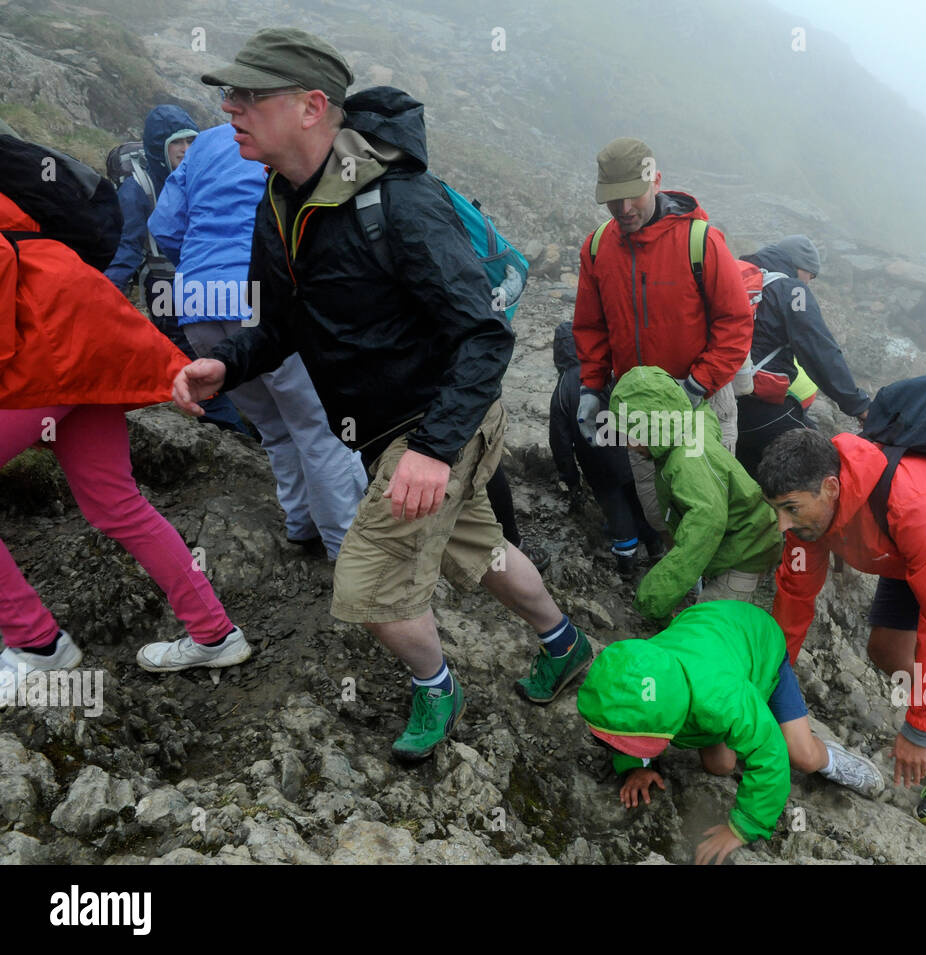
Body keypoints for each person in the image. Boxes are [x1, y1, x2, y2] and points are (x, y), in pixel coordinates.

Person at [172, 28, 591, 762]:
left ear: (310, 107)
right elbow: (281, 323)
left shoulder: (400, 202)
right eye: (228, 95)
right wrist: (228, 364)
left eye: (246, 95)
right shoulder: (280, 198)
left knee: (365, 585)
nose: (229, 108)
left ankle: (437, 682)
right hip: (380, 425)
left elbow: (485, 337)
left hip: (435, 419)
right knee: (480, 548)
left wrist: (432, 450)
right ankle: (564, 641)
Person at [1, 153, 249, 690]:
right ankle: (213, 633)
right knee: (116, 502)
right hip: (79, 344)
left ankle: (36, 643)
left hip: (46, 355)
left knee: (116, 502)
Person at [758, 428, 926, 832]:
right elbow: (794, 598)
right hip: (910, 547)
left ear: (831, 487)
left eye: (791, 509)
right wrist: (768, 680)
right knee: (886, 649)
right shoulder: (810, 517)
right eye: (776, 509)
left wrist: (920, 729)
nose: (783, 524)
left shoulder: (907, 504)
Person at [148, 122, 368, 560]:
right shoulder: (288, 136)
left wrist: (201, 269)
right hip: (263, 298)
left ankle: (301, 524)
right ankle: (347, 548)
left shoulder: (206, 142)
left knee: (274, 428)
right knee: (320, 430)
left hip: (197, 301)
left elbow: (165, 224)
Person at [576, 600, 882, 866]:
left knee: (799, 755)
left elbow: (770, 751)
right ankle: (742, 728)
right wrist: (635, 765)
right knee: (719, 765)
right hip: (712, 640)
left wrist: (744, 826)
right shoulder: (638, 666)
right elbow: (620, 721)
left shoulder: (723, 700)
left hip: (760, 647)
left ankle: (829, 757)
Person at [572, 137, 753, 535]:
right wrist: (590, 387)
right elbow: (591, 326)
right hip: (639, 407)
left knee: (709, 510)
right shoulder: (598, 248)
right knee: (661, 513)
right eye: (612, 200)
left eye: (632, 196)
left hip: (702, 399)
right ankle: (687, 584)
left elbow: (735, 323)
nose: (623, 209)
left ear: (656, 181)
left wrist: (696, 384)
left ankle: (717, 592)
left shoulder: (700, 241)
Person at [104, 105, 246, 436]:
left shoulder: (202, 174)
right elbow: (127, 248)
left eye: (191, 141)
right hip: (166, 288)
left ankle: (240, 427)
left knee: (220, 356)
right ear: (158, 148)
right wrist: (103, 296)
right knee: (192, 360)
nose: (185, 151)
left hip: (209, 283)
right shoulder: (137, 188)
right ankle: (236, 430)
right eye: (175, 144)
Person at [608, 366, 781, 621]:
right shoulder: (691, 424)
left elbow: (705, 525)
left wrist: (653, 596)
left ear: (654, 426)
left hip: (746, 551)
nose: (627, 444)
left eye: (631, 434)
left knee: (707, 625)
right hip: (737, 542)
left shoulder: (687, 462)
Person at [734, 236, 872, 476]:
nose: (810, 283)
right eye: (811, 276)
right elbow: (819, 351)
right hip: (756, 407)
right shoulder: (791, 289)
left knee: (747, 480)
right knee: (820, 465)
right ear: (800, 267)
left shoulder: (741, 278)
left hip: (717, 400)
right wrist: (858, 405)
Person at [549, 321, 660, 577]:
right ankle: (655, 546)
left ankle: (626, 565)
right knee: (639, 500)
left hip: (596, 461)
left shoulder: (562, 391)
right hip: (628, 449)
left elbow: (560, 443)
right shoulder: (602, 372)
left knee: (615, 505)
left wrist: (571, 479)